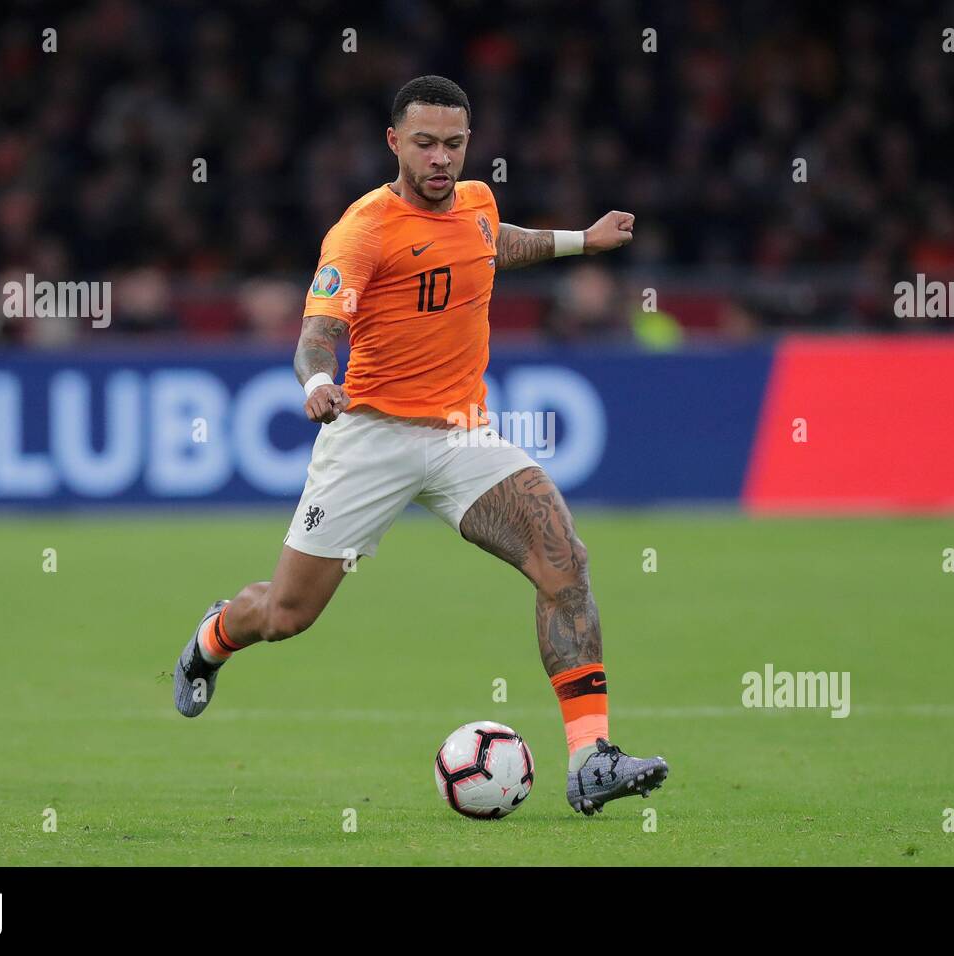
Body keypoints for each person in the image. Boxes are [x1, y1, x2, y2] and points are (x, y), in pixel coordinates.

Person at [174, 76, 668, 815]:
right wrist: (315, 384)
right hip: (370, 435)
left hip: (464, 433)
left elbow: (493, 245)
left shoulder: (476, 201)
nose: (441, 158)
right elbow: (318, 334)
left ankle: (591, 758)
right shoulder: (362, 230)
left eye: (455, 144)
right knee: (284, 616)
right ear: (394, 142)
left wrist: (579, 241)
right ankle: (214, 636)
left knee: (563, 558)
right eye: (426, 143)